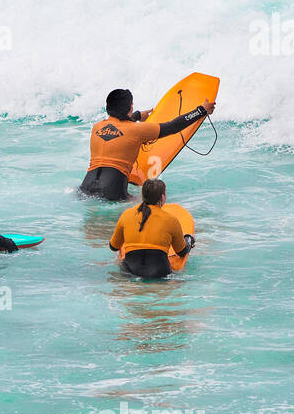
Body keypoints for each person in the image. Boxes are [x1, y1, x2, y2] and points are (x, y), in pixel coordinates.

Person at [80, 88, 216, 201]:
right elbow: (173, 127)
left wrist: (137, 115)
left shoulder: (97, 127)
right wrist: (201, 110)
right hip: (113, 191)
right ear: (129, 107)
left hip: (85, 188)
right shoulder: (137, 130)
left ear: (108, 107)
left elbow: (121, 128)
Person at [108, 178, 193, 278]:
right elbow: (181, 251)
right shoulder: (171, 220)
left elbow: (113, 247)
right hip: (159, 272)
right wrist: (188, 240)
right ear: (162, 197)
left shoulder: (126, 214)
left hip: (129, 270)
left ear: (143, 196)